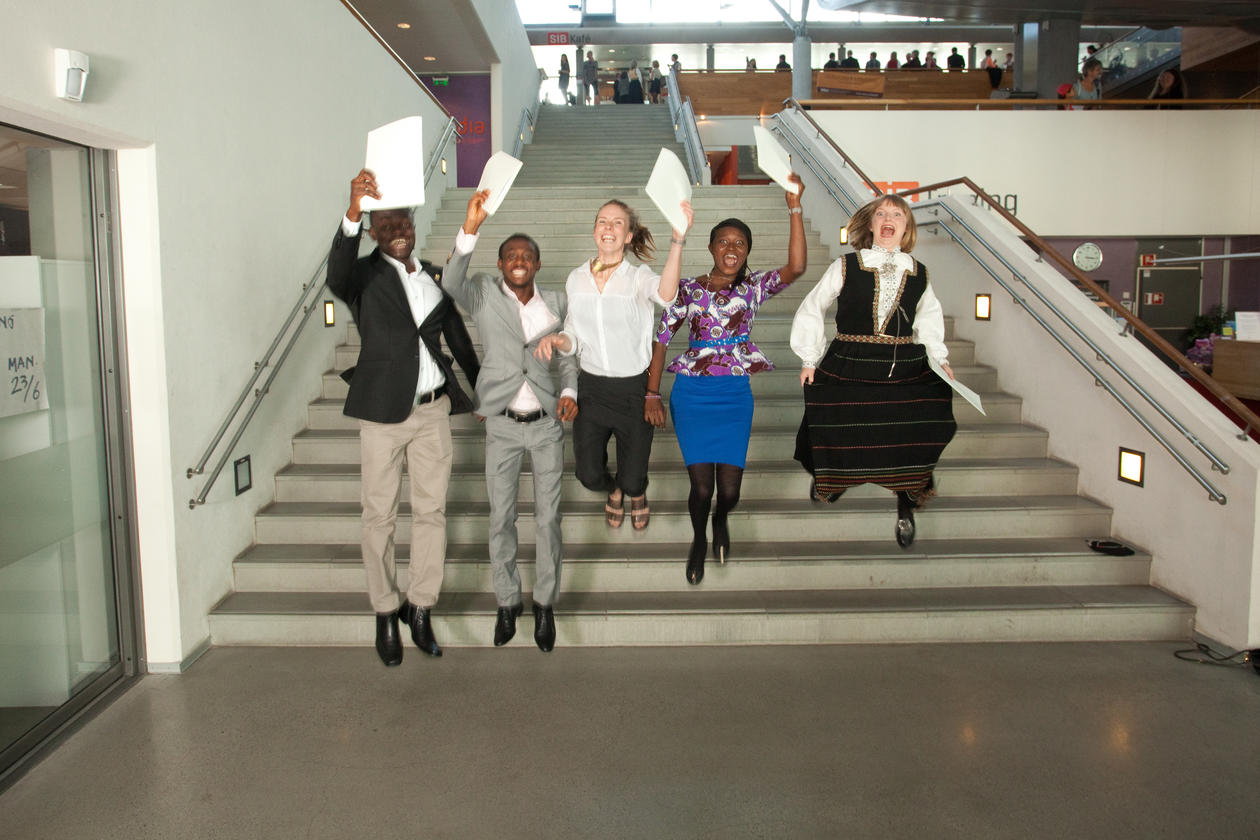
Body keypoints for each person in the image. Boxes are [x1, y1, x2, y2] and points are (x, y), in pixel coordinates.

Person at [326, 169, 480, 667]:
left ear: (414, 226)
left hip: (433, 411)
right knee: (380, 517)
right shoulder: (362, 277)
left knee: (432, 513)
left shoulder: (433, 276)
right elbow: (336, 274)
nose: (398, 230)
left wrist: (481, 390)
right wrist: (353, 210)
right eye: (386, 224)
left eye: (404, 223)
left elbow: (455, 336)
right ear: (373, 231)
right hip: (381, 414)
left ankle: (420, 606)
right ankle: (385, 611)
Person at [648, 175, 807, 586]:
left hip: (734, 395)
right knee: (702, 488)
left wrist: (794, 206)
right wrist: (651, 393)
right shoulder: (687, 289)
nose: (731, 248)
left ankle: (721, 519)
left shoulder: (754, 287)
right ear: (710, 247)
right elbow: (661, 340)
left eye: (739, 243)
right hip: (692, 394)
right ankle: (699, 538)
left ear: (747, 250)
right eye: (723, 241)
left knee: (730, 492)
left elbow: (796, 267)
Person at [444, 191, 580, 653]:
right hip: (501, 423)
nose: (519, 261)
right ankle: (507, 602)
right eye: (511, 256)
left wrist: (569, 392)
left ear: (537, 264)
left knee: (548, 518)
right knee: (501, 516)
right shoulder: (482, 292)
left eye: (527, 256)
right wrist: (471, 226)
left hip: (545, 425)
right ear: (500, 264)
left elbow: (568, 356)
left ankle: (544, 603)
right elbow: (451, 281)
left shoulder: (557, 302)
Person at [791, 194, 956, 551]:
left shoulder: (919, 272)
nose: (888, 218)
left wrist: (939, 359)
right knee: (834, 422)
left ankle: (906, 506)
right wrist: (809, 358)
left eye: (897, 214)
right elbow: (813, 306)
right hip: (849, 358)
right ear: (871, 224)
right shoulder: (847, 264)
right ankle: (831, 477)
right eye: (881, 213)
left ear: (906, 228)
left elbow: (928, 322)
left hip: (902, 364)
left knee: (908, 434)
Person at [534, 199, 694, 533]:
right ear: (595, 230)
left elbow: (667, 296)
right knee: (588, 474)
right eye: (603, 221)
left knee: (634, 478)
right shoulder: (576, 278)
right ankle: (614, 489)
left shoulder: (638, 277)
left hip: (633, 390)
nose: (608, 227)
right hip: (592, 389)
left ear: (628, 235)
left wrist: (677, 240)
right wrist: (559, 340)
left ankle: (635, 490)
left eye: (617, 222)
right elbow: (574, 336)